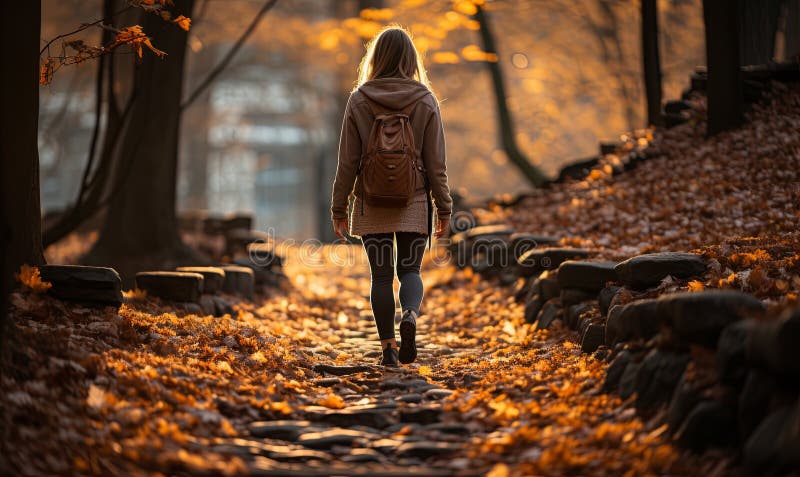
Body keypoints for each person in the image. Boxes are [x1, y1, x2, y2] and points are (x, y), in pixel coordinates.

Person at [330, 26, 452, 367]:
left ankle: (388, 350)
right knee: (410, 271)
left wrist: (339, 207)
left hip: (371, 202)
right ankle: (409, 314)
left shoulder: (359, 99)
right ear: (411, 59)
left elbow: (347, 162)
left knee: (381, 277)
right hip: (414, 200)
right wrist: (444, 207)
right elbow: (437, 164)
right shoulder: (425, 99)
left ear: (376, 58)